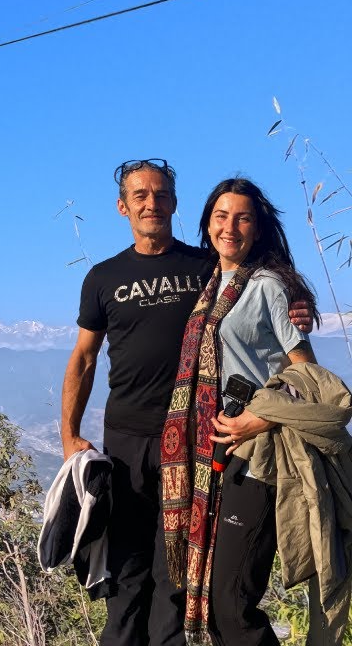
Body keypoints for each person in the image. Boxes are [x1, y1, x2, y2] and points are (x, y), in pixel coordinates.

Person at [59, 160, 311, 645]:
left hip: (198, 443)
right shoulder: (102, 277)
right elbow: (84, 360)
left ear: (175, 203)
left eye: (161, 194)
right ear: (123, 206)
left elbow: (259, 286)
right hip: (125, 442)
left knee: (178, 572)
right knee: (126, 573)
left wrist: (298, 303)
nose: (151, 203)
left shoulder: (207, 267)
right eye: (140, 196)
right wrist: (69, 436)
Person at [160, 178, 316, 644]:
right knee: (213, 599)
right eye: (221, 216)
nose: (230, 227)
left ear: (259, 227)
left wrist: (261, 417)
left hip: (258, 457)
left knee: (232, 605)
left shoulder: (269, 286)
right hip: (213, 457)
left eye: (243, 217)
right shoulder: (210, 282)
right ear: (207, 222)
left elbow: (309, 379)